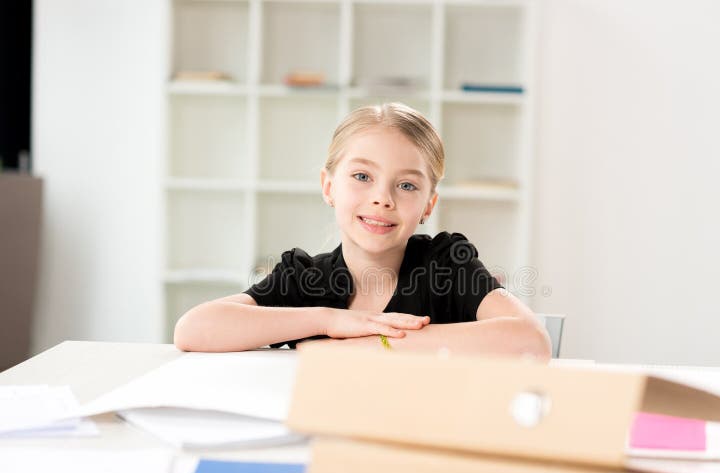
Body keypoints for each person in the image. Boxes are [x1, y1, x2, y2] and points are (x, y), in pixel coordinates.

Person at [174, 103, 550, 357]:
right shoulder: (304, 278)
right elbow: (193, 330)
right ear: (328, 187)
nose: (382, 198)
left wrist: (371, 343)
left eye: (406, 185)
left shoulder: (447, 265)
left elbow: (531, 341)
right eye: (362, 176)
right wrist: (329, 320)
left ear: (428, 205)